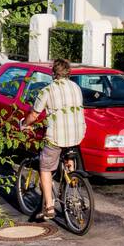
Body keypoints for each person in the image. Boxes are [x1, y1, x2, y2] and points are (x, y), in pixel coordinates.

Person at [22, 58, 86, 222]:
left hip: (57, 137)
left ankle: (49, 207)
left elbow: (35, 114)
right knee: (68, 152)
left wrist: (24, 124)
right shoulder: (76, 88)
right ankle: (72, 181)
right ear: (68, 72)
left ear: (53, 73)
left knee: (45, 168)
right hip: (77, 134)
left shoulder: (47, 91)